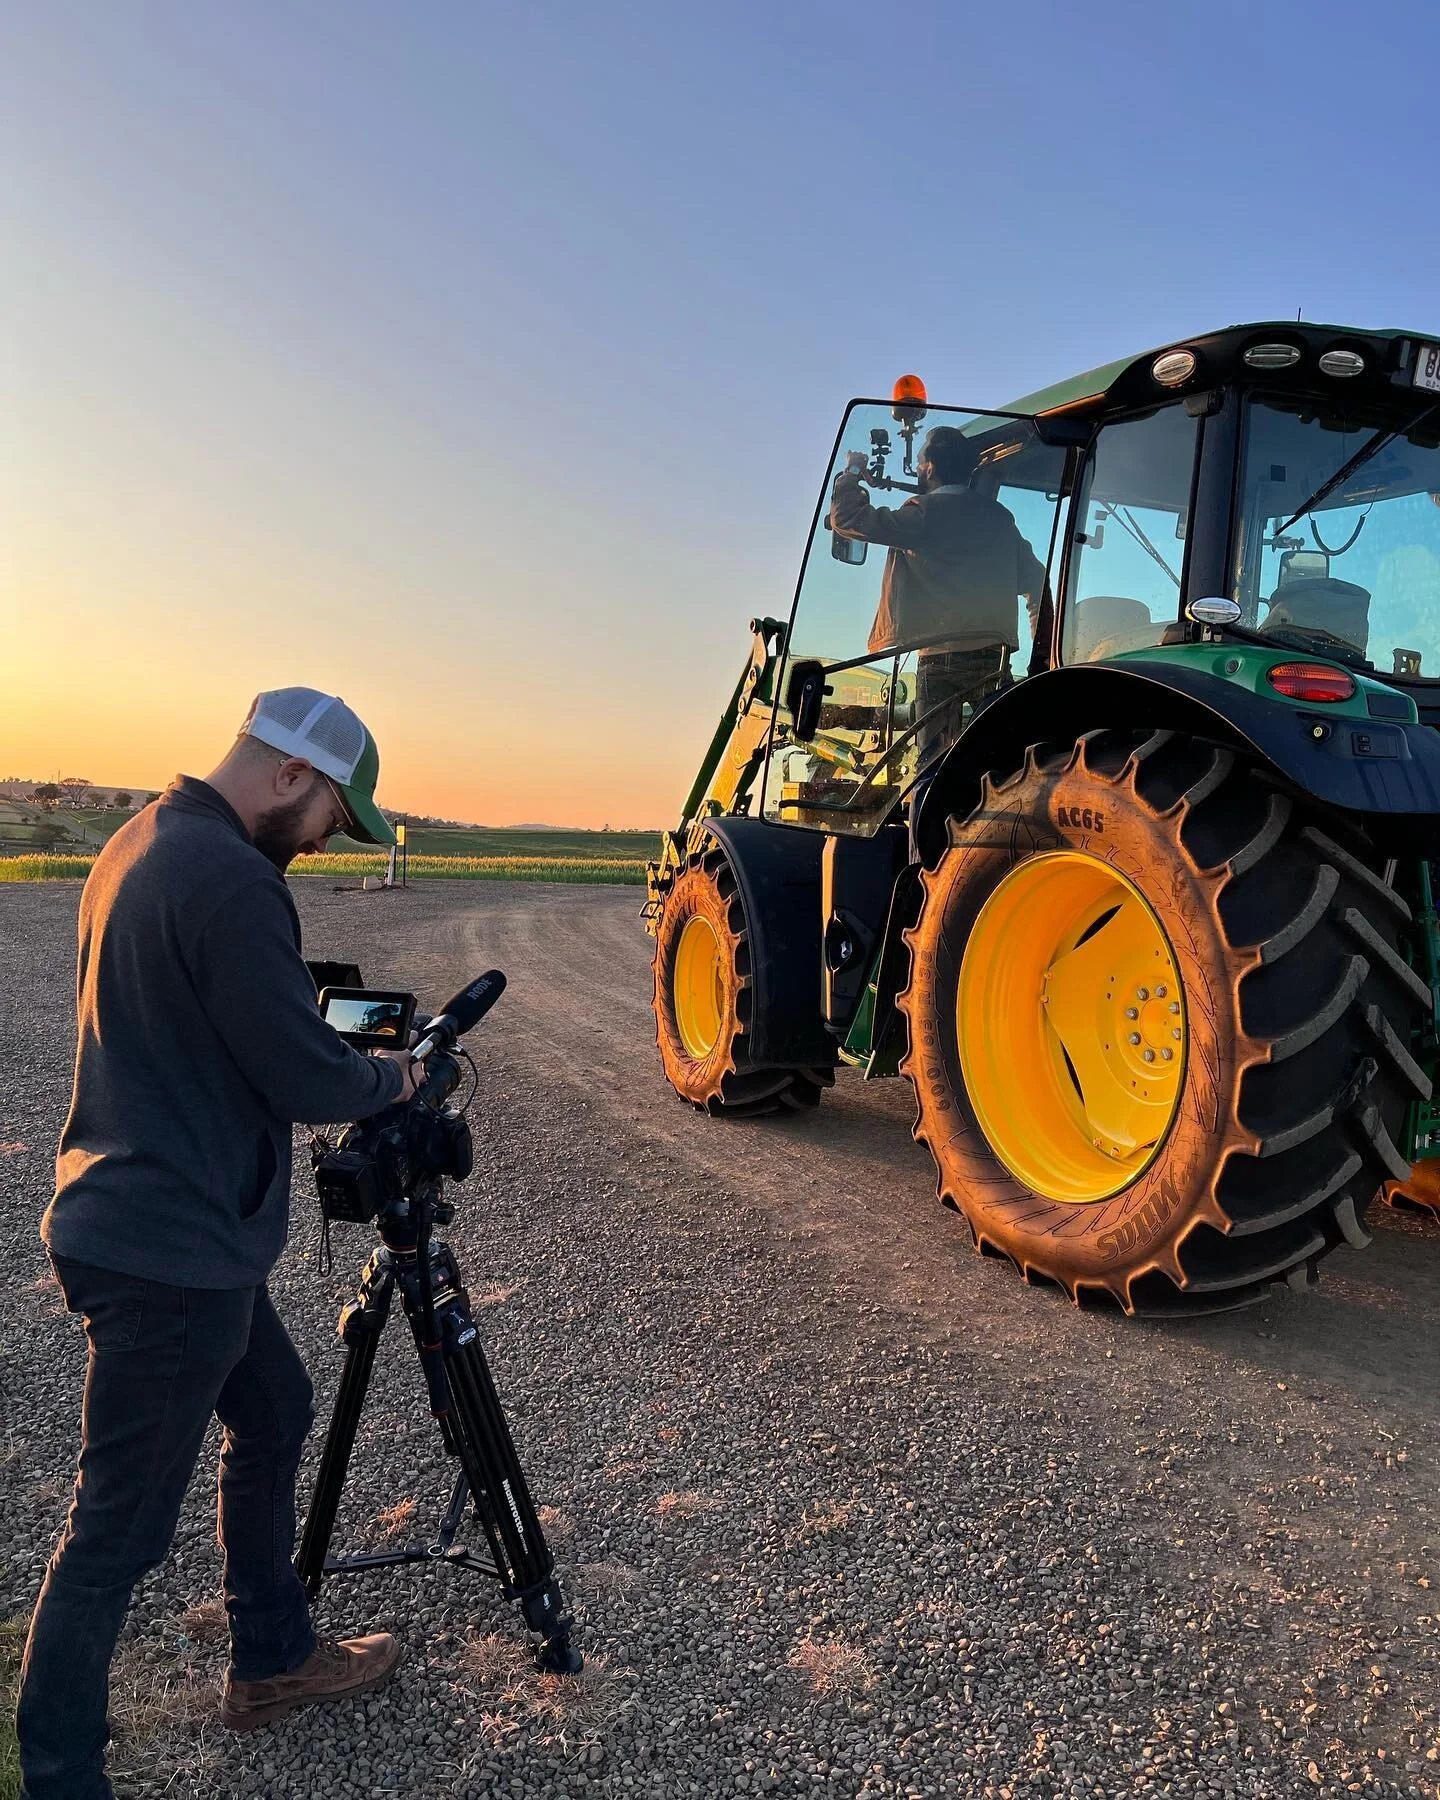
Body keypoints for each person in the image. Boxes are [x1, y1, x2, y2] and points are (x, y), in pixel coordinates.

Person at [17, 688, 419, 1800]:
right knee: (113, 1535)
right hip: (173, 1252)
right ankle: (60, 1776)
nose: (335, 838)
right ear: (293, 775)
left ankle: (273, 1656)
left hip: (150, 1223)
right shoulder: (234, 879)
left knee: (276, 1408)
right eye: (339, 815)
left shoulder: (141, 838)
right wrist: (395, 1075)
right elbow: (304, 1074)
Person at [830, 424, 1050, 765]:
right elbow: (1037, 583)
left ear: (930, 468)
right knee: (1005, 761)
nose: (917, 468)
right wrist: (1042, 658)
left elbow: (847, 518)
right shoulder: (1000, 520)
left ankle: (927, 817)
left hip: (939, 661)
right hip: (995, 657)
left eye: (919, 462)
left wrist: (852, 473)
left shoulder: (924, 512)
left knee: (932, 767)